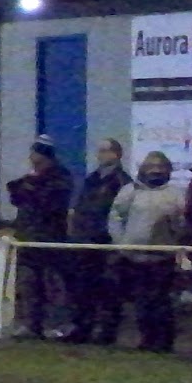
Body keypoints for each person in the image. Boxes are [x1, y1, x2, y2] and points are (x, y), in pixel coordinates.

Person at [108, 151, 186, 353]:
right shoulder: (129, 191)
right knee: (141, 301)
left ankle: (164, 341)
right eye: (150, 167)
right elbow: (116, 218)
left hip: (163, 257)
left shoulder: (175, 194)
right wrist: (122, 244)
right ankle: (146, 339)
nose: (155, 171)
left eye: (160, 167)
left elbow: (181, 224)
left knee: (161, 301)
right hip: (134, 256)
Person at [64, 138, 131, 344]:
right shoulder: (91, 179)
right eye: (99, 151)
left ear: (116, 154)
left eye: (104, 151)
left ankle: (107, 331)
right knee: (83, 287)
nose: (100, 155)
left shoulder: (122, 181)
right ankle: (82, 327)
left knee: (108, 290)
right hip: (84, 242)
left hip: (106, 243)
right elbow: (81, 206)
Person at [6, 137, 73, 338]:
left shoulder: (60, 177)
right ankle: (32, 324)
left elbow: (48, 201)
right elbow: (14, 192)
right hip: (28, 238)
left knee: (52, 284)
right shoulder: (32, 178)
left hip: (49, 240)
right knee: (28, 285)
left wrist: (31, 187)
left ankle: (56, 324)